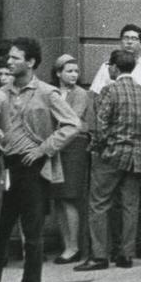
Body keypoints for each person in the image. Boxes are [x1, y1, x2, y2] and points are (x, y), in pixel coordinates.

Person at [0, 37, 80, 282]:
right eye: (9, 58)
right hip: (6, 166)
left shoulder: (47, 92)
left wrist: (45, 149)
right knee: (0, 230)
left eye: (16, 58)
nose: (9, 61)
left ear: (30, 62)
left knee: (32, 230)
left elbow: (72, 124)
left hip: (32, 167)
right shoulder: (1, 93)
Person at [81, 50, 141, 271]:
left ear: (115, 68)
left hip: (111, 154)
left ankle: (99, 255)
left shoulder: (110, 90)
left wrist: (98, 147)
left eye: (110, 65)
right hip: (137, 157)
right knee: (130, 205)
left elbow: (101, 123)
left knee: (99, 204)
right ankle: (126, 254)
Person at [49, 56, 93, 265]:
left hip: (74, 146)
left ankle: (74, 245)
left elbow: (72, 121)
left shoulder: (80, 94)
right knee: (57, 197)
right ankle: (65, 242)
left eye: (76, 71)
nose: (74, 75)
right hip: (56, 146)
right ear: (58, 73)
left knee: (69, 195)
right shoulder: (53, 92)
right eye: (69, 71)